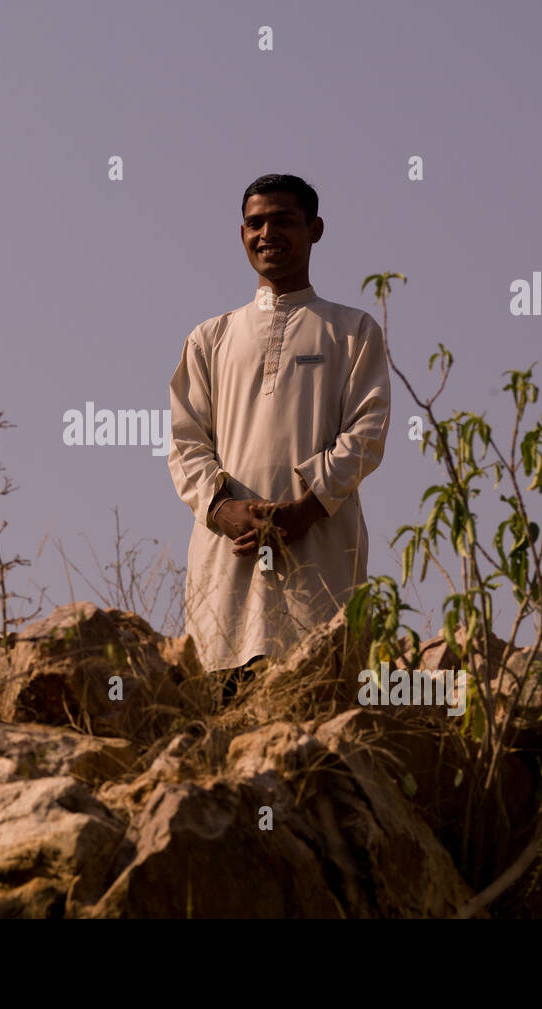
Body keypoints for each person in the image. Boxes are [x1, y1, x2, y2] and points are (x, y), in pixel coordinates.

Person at [166, 173, 391, 697]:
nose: (268, 232)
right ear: (241, 233)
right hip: (228, 556)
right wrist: (223, 510)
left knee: (318, 703)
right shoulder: (211, 337)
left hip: (320, 552)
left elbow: (368, 429)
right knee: (219, 702)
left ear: (314, 230)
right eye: (255, 222)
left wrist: (305, 509)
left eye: (284, 220)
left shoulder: (352, 330)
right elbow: (184, 440)